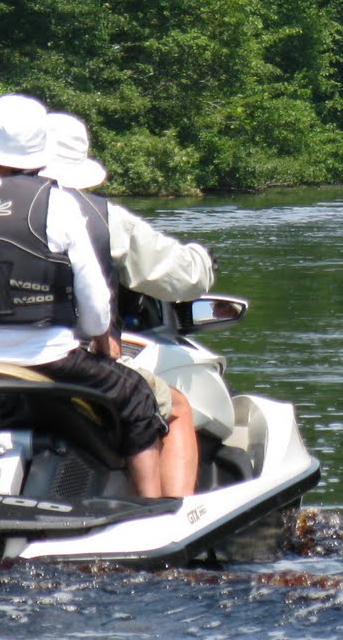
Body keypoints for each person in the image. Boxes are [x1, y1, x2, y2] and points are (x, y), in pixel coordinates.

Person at [0, 94, 166, 498]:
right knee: (138, 400)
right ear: (42, 151)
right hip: (49, 361)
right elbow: (94, 314)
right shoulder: (59, 202)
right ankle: (153, 510)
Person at [39, 111, 217, 499]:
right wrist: (203, 259)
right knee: (176, 408)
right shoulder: (98, 216)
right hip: (65, 365)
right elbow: (178, 276)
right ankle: (171, 518)